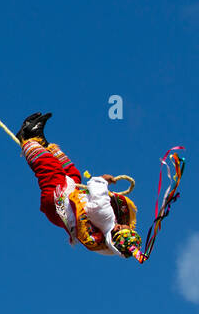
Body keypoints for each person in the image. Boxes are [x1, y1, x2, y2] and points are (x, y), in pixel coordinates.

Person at [17, 112, 145, 261]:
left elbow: (98, 195)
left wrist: (103, 180)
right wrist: (134, 250)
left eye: (128, 229)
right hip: (60, 210)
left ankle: (29, 138)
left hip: (57, 199)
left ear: (119, 229)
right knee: (73, 175)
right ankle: (41, 142)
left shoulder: (107, 218)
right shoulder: (106, 246)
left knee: (50, 168)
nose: (129, 226)